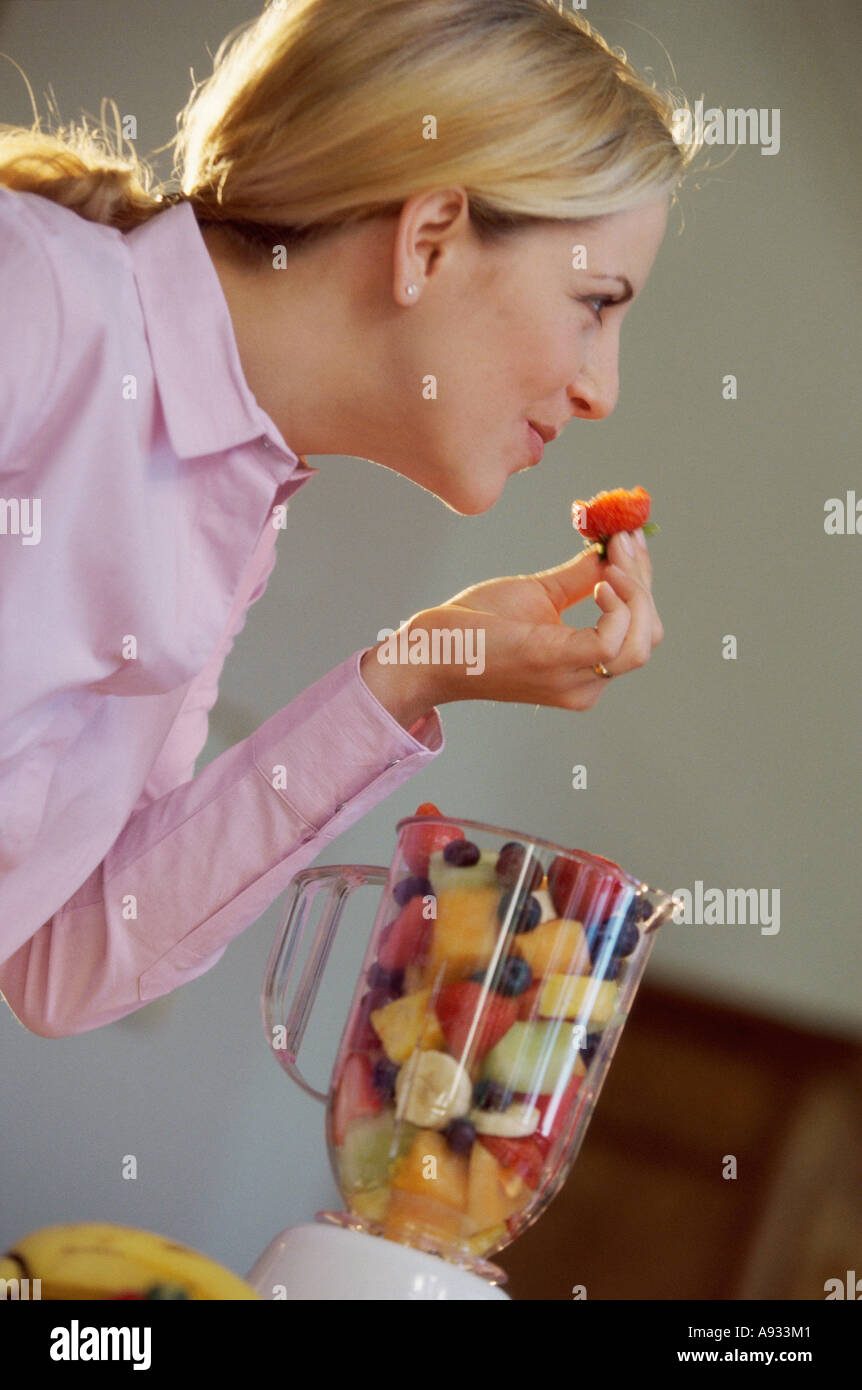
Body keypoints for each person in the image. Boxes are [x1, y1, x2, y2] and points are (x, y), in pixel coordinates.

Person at [0, 0, 698, 1037]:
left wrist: (413, 673)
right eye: (596, 303)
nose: (602, 389)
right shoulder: (35, 297)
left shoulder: (233, 517)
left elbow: (65, 961)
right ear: (429, 240)